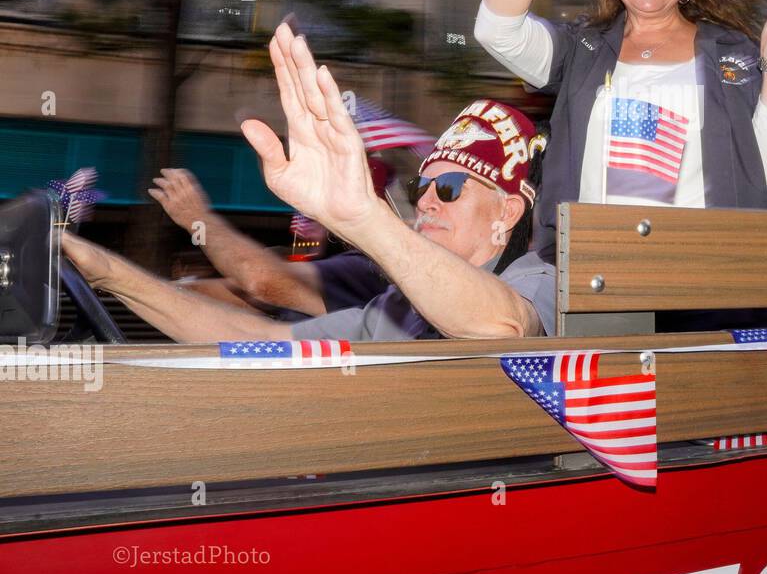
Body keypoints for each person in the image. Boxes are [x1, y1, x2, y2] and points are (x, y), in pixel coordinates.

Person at [62, 24, 556, 341]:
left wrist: (363, 218)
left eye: (448, 187)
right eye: (420, 187)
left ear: (508, 213)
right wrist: (109, 273)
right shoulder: (401, 308)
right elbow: (263, 342)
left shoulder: (542, 281)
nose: (425, 200)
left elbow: (501, 326)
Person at [474, 0, 767, 261]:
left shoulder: (732, 55)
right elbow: (495, 29)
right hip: (595, 272)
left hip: (706, 278)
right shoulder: (584, 49)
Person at [149, 164, 390, 318]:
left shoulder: (369, 270)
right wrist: (135, 288)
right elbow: (240, 292)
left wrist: (197, 218)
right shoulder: (352, 272)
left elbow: (261, 283)